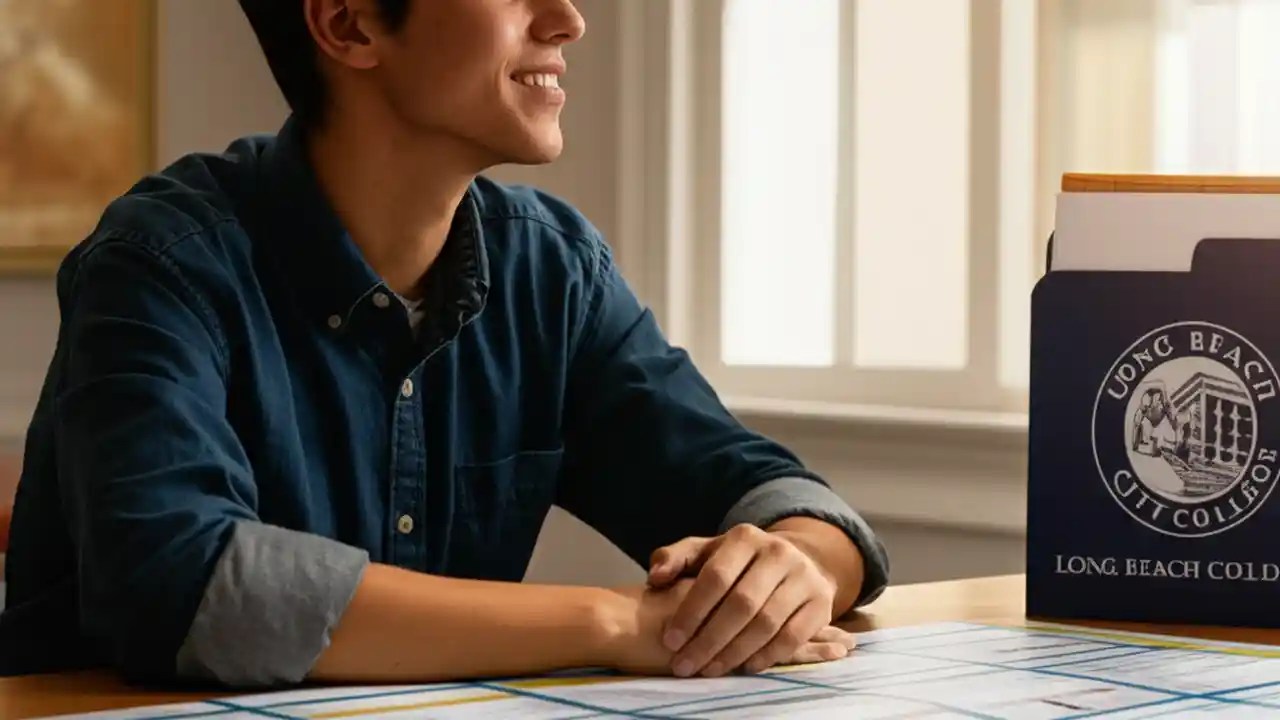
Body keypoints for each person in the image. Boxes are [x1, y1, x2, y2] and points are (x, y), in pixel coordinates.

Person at [0, 0, 889, 687]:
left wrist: (793, 565)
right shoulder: (161, 263)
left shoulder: (552, 269)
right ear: (349, 25)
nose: (568, 19)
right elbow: (179, 584)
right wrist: (615, 623)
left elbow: (768, 493)